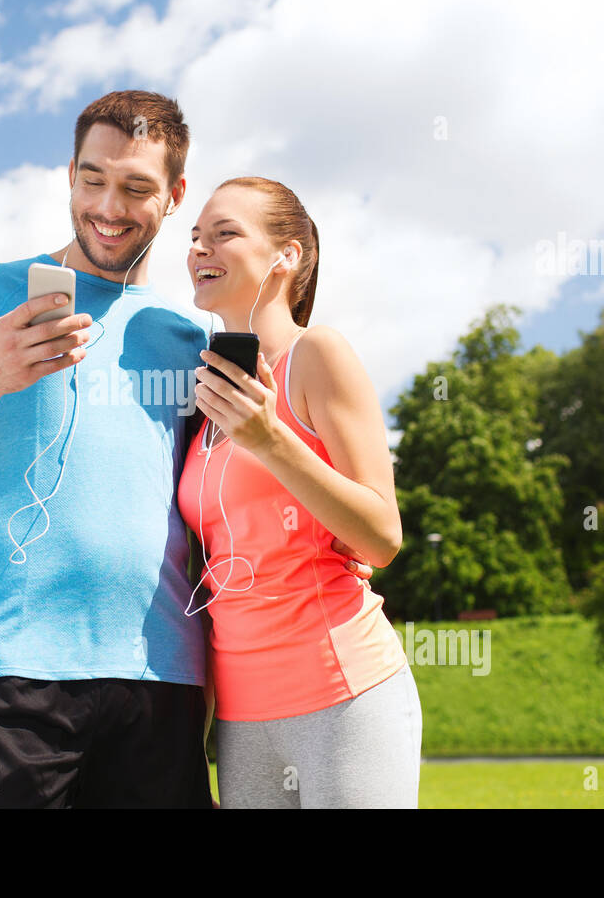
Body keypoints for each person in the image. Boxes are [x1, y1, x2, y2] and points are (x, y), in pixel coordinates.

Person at [0, 91, 370, 808]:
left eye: (136, 187)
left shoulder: (194, 337)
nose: (108, 206)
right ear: (71, 175)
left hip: (164, 688)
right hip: (12, 676)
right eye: (93, 179)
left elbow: (219, 513)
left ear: (175, 196)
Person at [178, 176, 422, 808]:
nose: (201, 248)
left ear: (287, 255)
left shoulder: (317, 355)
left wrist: (270, 440)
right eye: (195, 237)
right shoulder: (208, 397)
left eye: (225, 233)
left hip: (343, 696)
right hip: (240, 720)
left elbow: (382, 534)